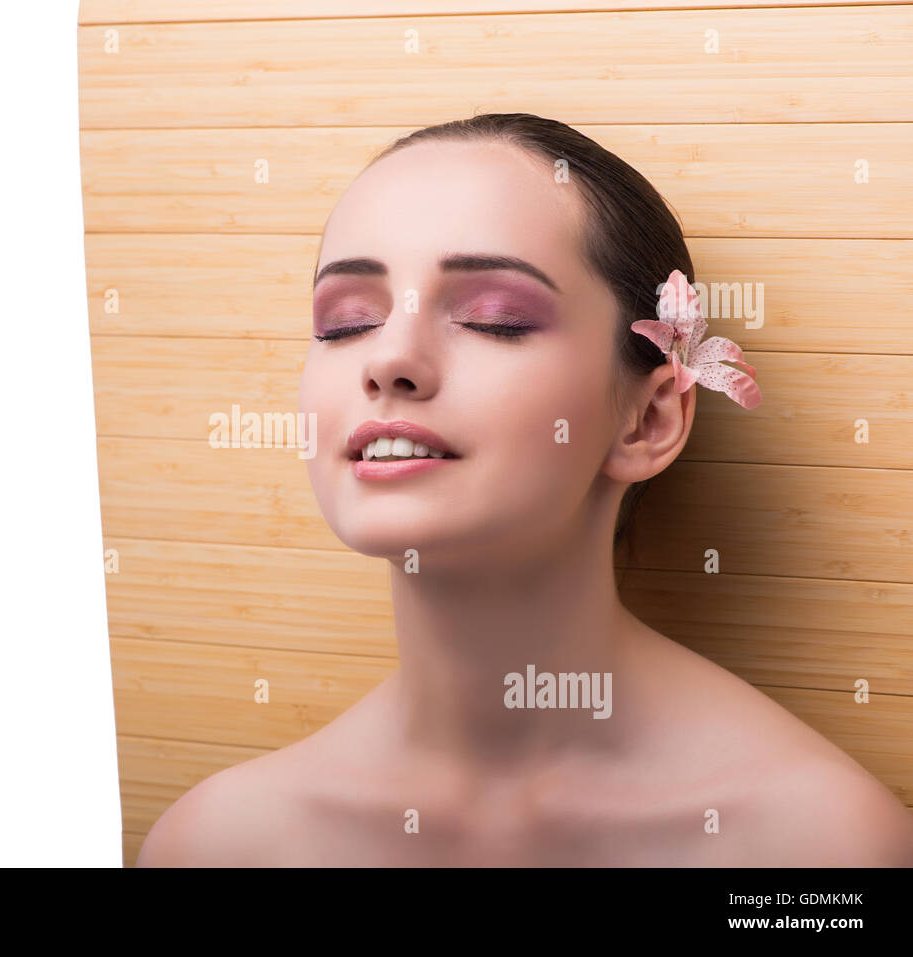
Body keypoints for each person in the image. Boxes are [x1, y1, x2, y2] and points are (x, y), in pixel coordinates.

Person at [136, 113, 913, 866]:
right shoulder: (218, 845)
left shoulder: (820, 851)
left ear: (647, 419)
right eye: (346, 322)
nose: (389, 359)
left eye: (495, 319)